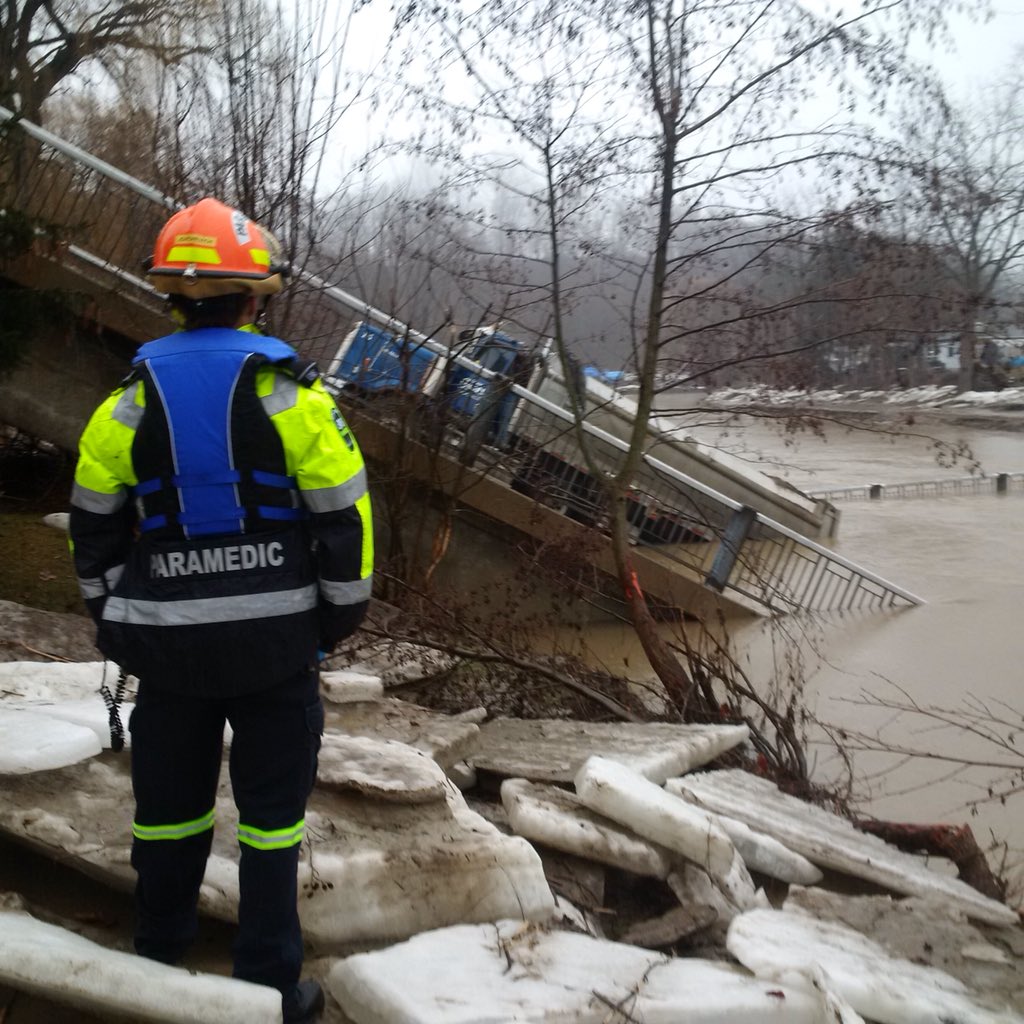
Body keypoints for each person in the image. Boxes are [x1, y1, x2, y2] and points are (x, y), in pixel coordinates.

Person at [69, 197, 373, 1022]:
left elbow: (93, 524)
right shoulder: (294, 397)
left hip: (167, 654)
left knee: (168, 815)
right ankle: (270, 986)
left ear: (172, 297)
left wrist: (117, 619)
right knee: (271, 825)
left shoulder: (125, 403)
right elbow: (345, 520)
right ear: (254, 298)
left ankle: (158, 959)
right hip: (278, 651)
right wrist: (330, 622)